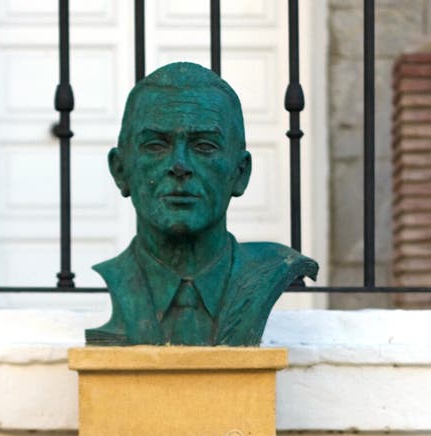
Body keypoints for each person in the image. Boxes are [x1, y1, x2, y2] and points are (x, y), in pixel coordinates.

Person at [86, 62, 318, 347]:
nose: (179, 165)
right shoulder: (119, 280)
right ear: (120, 171)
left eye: (204, 146)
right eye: (156, 146)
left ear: (240, 173)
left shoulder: (271, 270)